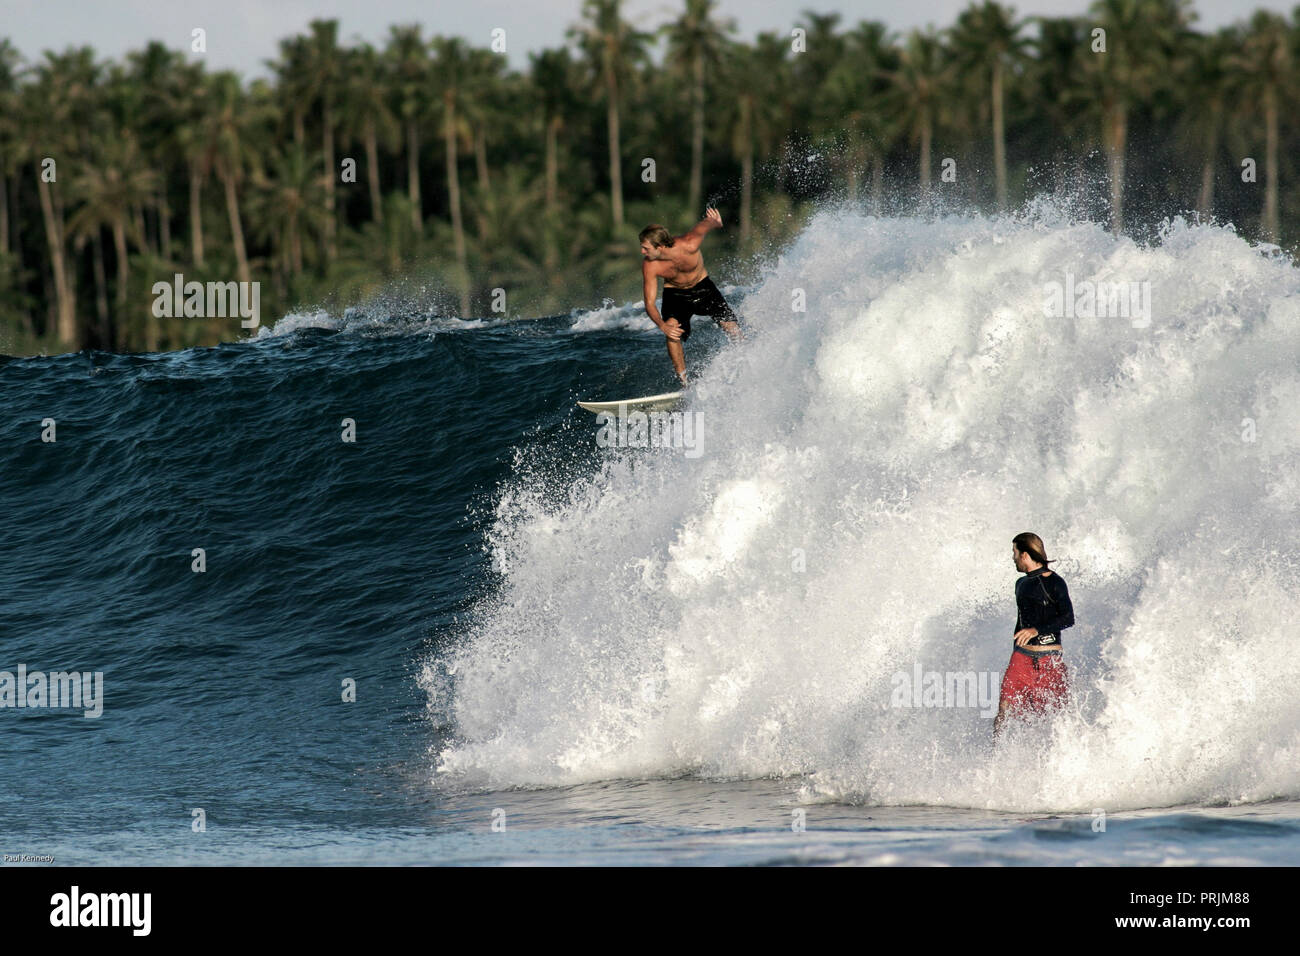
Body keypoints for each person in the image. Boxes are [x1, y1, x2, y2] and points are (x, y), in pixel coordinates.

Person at [639, 207, 742, 385]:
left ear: (660, 246)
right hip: (676, 295)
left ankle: (746, 357)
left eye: (645, 248)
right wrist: (662, 325)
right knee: (672, 332)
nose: (642, 252)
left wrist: (714, 222)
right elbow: (649, 303)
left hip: (704, 288)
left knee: (730, 326)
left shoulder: (689, 244)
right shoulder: (650, 265)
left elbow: (703, 226)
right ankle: (684, 382)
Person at [993, 532, 1074, 739]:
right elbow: (1020, 624)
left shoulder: (1055, 582)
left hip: (1050, 659)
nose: (1013, 557)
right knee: (1004, 709)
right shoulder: (1020, 584)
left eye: (1015, 552)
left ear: (1025, 555)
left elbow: (1068, 618)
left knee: (1057, 714)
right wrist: (1015, 653)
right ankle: (995, 756)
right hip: (1021, 658)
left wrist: (1036, 630)